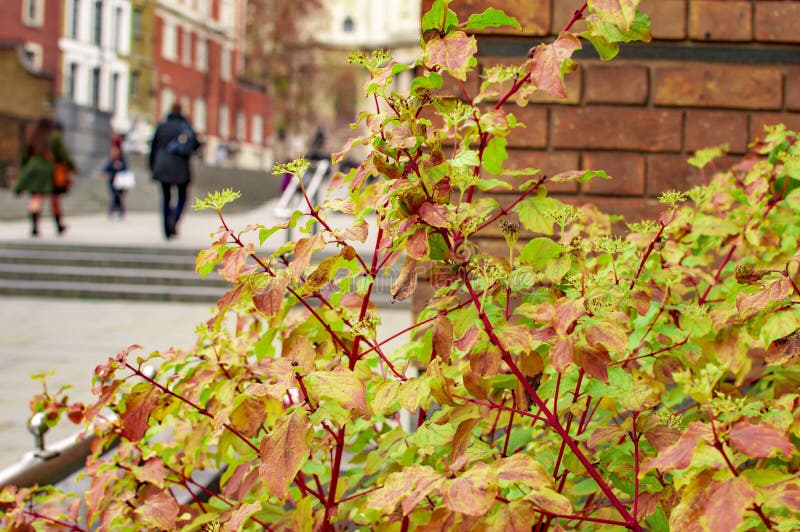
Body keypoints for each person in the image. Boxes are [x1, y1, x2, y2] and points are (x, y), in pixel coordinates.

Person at [13, 116, 76, 236]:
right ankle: (59, 225)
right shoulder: (54, 137)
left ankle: (35, 226)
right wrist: (72, 167)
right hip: (49, 169)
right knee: (55, 199)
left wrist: (24, 170)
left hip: (33, 168)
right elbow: (63, 154)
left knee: (36, 197)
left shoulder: (32, 136)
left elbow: (25, 155)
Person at [149, 103, 200, 239]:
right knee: (182, 197)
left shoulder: (162, 126)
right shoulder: (185, 127)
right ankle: (174, 220)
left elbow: (153, 148)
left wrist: (152, 167)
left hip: (163, 166)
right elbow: (195, 145)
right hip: (181, 167)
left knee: (166, 198)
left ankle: (167, 226)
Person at [104, 141, 128, 219]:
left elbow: (126, 169)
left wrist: (120, 166)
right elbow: (107, 169)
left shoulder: (122, 161)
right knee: (114, 196)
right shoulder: (111, 161)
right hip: (112, 181)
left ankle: (120, 212)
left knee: (120, 197)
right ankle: (112, 211)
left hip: (121, 182)